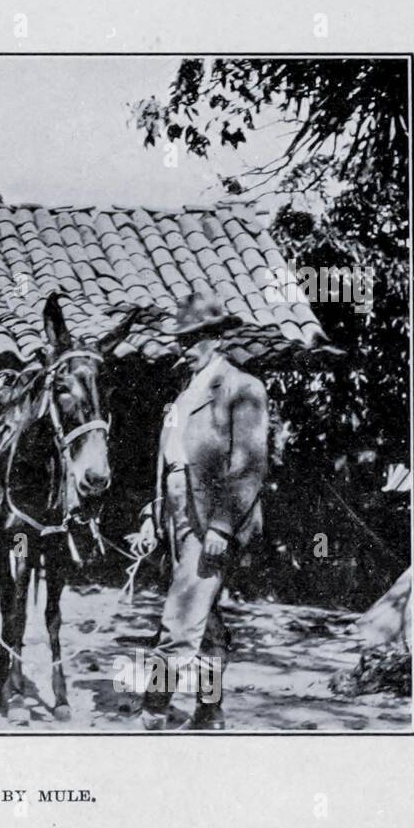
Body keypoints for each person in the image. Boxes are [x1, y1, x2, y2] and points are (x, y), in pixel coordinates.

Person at [127, 292, 269, 730]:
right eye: (181, 340)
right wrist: (154, 515)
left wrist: (223, 526)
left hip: (211, 519)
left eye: (192, 340)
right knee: (205, 620)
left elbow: (248, 466)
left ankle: (153, 711)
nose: (183, 348)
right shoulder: (184, 392)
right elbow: (169, 459)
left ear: (215, 339)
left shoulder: (242, 388)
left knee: (181, 617)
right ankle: (209, 712)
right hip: (175, 516)